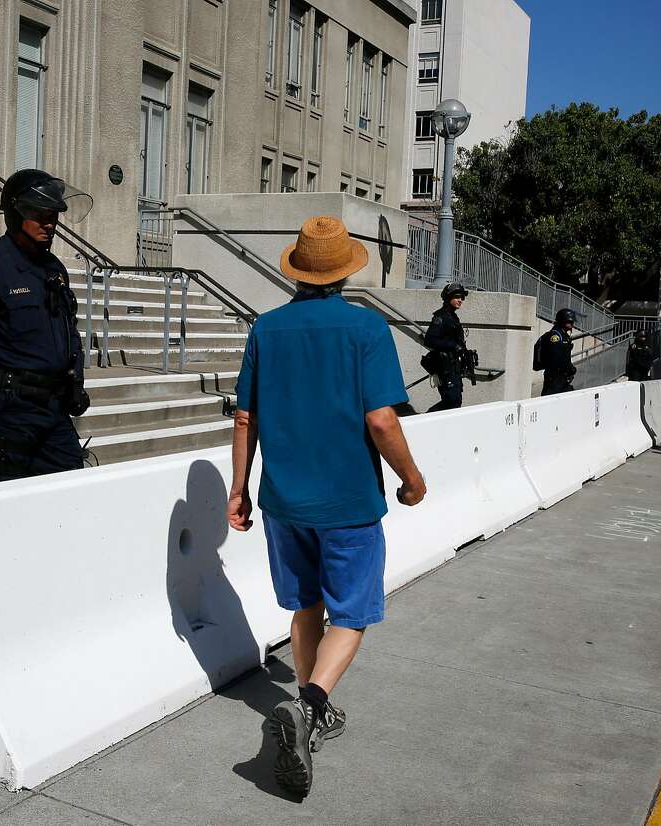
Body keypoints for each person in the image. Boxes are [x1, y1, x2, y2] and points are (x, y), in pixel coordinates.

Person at [227, 215, 426, 797]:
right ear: (344, 271)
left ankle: (315, 713)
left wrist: (238, 490)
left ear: (299, 269)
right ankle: (310, 704)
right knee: (355, 612)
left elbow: (246, 416)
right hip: (347, 501)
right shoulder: (365, 329)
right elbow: (381, 419)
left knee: (307, 605)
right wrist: (412, 480)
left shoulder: (267, 328)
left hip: (283, 500)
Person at [0, 169, 94, 483]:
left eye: (53, 215)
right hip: (9, 413)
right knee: (6, 511)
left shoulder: (53, 269)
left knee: (72, 496)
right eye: (39, 215)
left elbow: (70, 334)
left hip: (52, 411)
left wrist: (75, 383)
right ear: (15, 213)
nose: (49, 223)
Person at [423, 282, 471, 411]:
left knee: (456, 402)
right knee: (451, 401)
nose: (460, 300)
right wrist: (453, 346)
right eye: (457, 297)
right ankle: (424, 421)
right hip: (445, 367)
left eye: (462, 297)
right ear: (448, 297)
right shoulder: (441, 317)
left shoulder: (453, 317)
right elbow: (429, 340)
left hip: (453, 367)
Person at [537, 308, 577, 395]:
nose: (573, 325)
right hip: (554, 377)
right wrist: (569, 369)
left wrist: (570, 370)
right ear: (563, 321)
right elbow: (557, 358)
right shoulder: (555, 336)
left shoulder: (563, 335)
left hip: (562, 378)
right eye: (570, 322)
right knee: (549, 400)